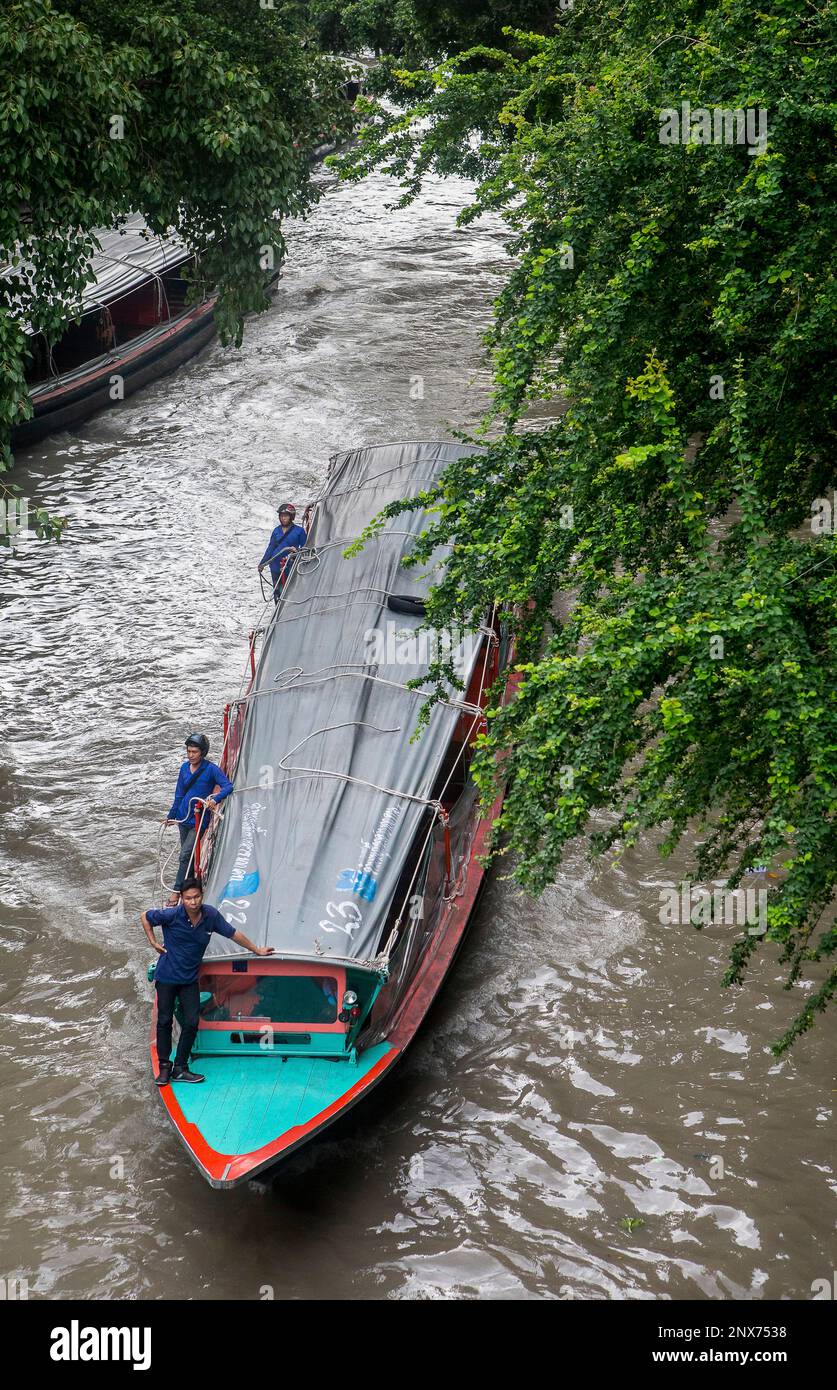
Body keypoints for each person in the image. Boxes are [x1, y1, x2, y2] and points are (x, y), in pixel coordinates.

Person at [142, 877, 274, 1086]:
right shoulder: (171, 914)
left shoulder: (210, 915)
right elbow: (145, 916)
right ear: (182, 899)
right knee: (165, 1021)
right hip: (166, 977)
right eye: (188, 898)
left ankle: (181, 1067)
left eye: (196, 897)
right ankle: (164, 1067)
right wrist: (153, 942)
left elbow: (233, 933)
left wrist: (256, 950)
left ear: (202, 896)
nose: (193, 902)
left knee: (192, 1021)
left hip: (189, 979)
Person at [164, 734, 233, 904]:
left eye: (194, 752)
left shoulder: (211, 769)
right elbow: (179, 794)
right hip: (183, 817)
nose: (190, 755)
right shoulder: (184, 768)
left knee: (185, 854)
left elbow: (228, 786)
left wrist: (214, 799)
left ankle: (176, 891)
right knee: (187, 856)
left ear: (202, 753)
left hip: (199, 819)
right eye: (188, 751)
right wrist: (171, 816)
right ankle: (189, 887)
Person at [258, 502, 307, 603]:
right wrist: (262, 563)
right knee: (277, 592)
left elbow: (305, 549)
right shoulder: (276, 531)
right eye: (281, 516)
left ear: (291, 517)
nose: (283, 518)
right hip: (275, 566)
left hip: (291, 566)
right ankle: (278, 612)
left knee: (291, 591)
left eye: (285, 516)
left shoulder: (300, 531)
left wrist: (296, 551)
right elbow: (270, 548)